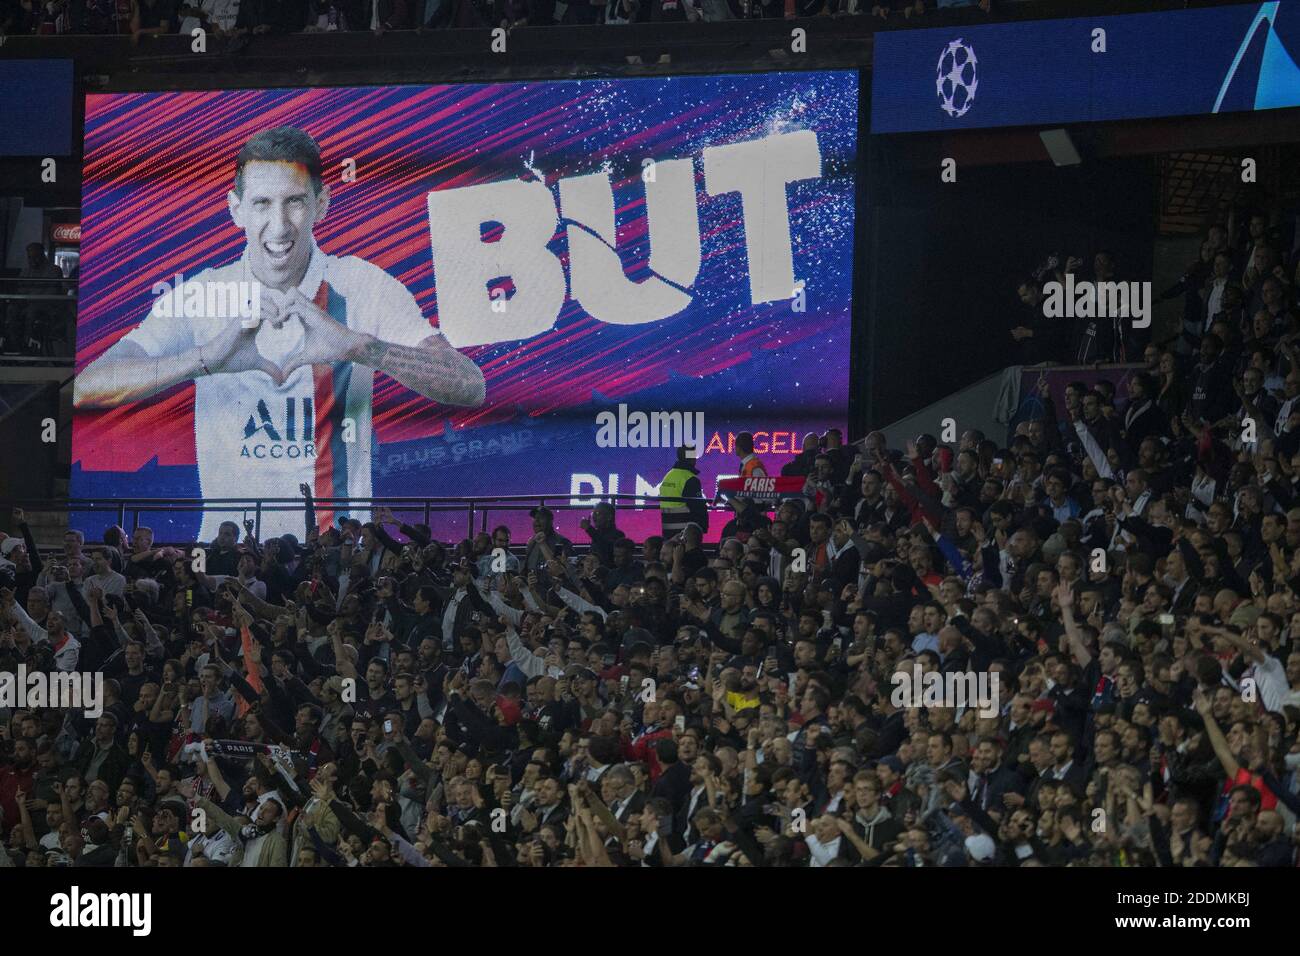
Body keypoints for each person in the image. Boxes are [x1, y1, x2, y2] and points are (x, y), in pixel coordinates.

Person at [74, 126, 485, 541]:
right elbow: (85, 387)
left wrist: (361, 347)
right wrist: (204, 360)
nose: (279, 225)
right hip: (226, 561)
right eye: (262, 203)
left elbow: (469, 385)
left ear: (321, 205)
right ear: (236, 210)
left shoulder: (363, 286)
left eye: (294, 202)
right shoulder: (202, 294)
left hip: (338, 559)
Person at [659, 445, 709, 538]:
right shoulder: (690, 478)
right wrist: (703, 526)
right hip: (685, 531)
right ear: (691, 458)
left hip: (667, 528)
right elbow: (697, 507)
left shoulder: (669, 475)